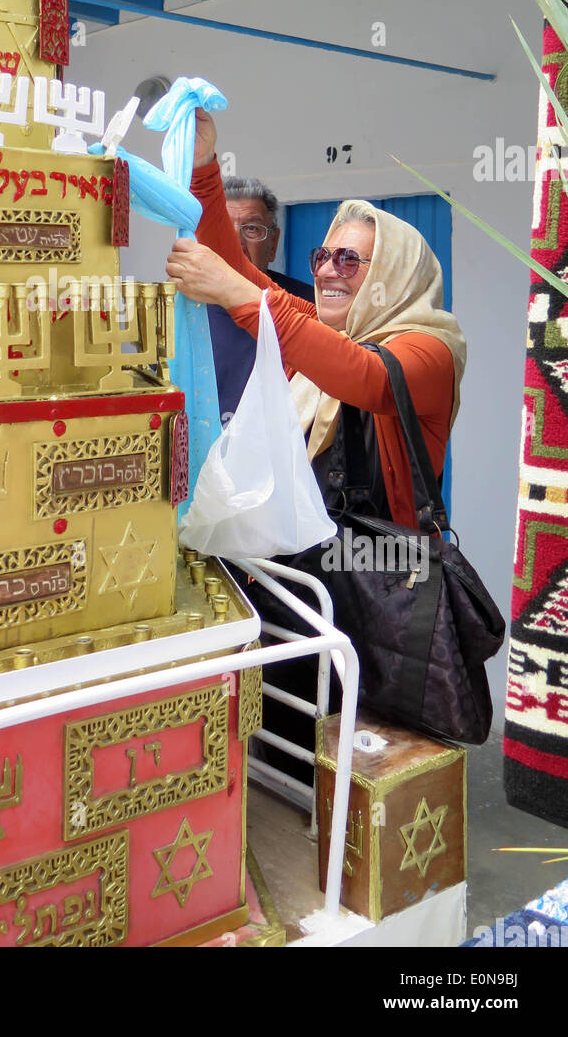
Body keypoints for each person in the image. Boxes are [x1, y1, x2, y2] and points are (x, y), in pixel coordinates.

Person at [166, 110, 467, 778]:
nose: (328, 269)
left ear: (392, 272)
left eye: (350, 259)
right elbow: (236, 272)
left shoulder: (428, 350)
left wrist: (239, 293)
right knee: (280, 734)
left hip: (375, 591)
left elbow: (361, 377)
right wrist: (203, 168)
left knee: (345, 746)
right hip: (307, 583)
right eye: (322, 255)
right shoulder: (331, 331)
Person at [207, 176, 314, 424]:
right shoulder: (178, 311)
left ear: (273, 243)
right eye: (223, 229)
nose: (235, 244)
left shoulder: (307, 307)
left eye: (251, 229)